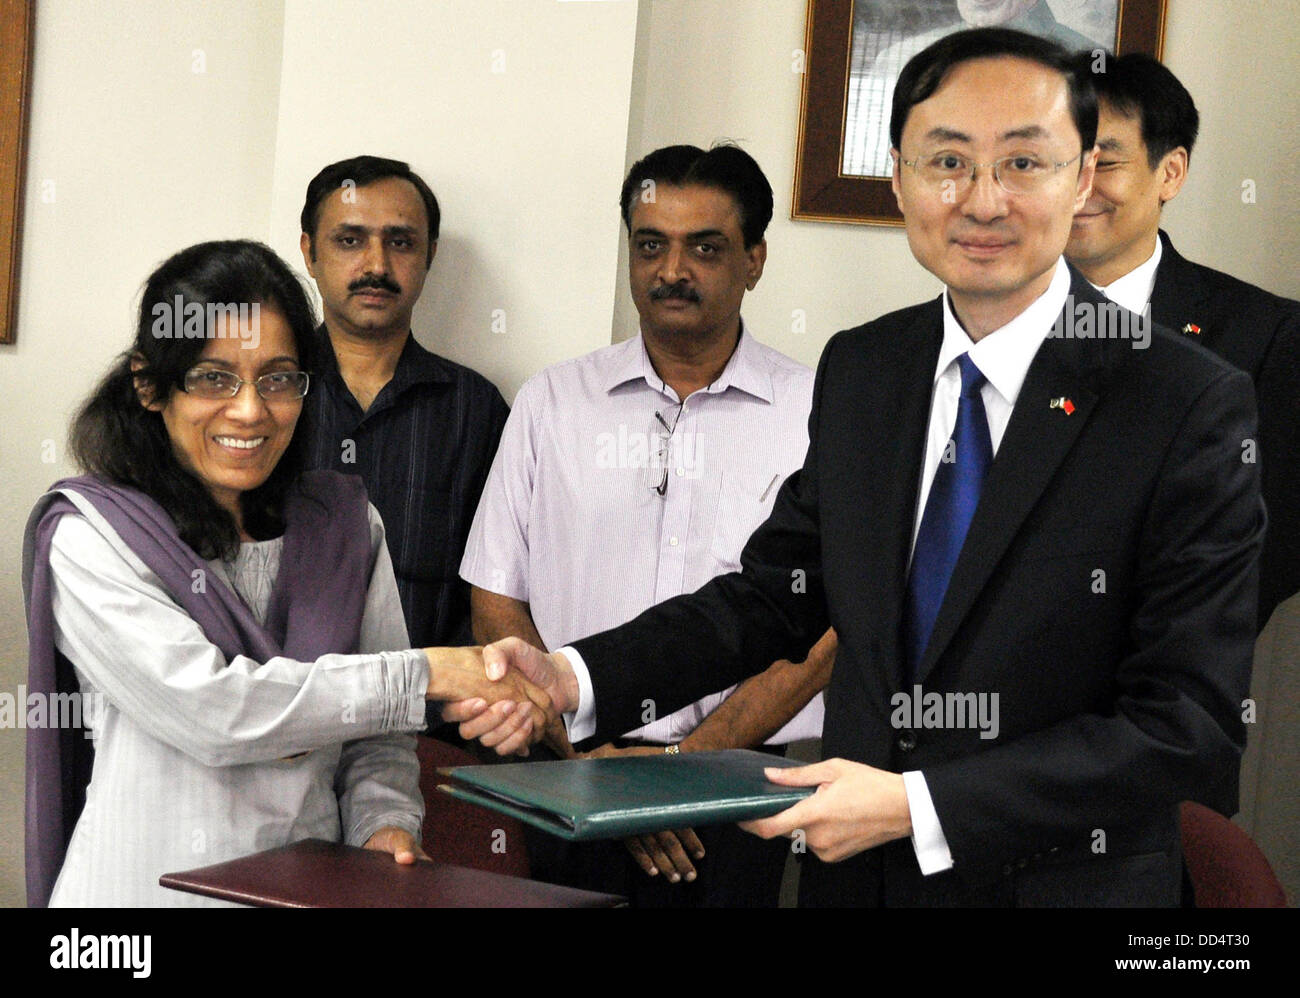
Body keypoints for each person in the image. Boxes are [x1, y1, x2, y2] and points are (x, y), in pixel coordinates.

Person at [457, 29, 1264, 907]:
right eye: (946, 160)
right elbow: (777, 594)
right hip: (857, 890)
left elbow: (1190, 728)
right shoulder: (868, 369)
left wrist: (917, 806)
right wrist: (576, 676)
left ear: (1081, 180)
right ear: (901, 180)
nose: (981, 200)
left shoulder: (1184, 401)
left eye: (1024, 163)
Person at [22, 240, 553, 907]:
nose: (251, 410)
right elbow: (216, 712)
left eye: (278, 378)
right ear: (149, 384)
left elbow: (380, 739)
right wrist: (433, 672)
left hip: (308, 894)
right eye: (214, 377)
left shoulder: (347, 525)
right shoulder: (92, 535)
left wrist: (381, 825)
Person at [459, 143, 836, 906]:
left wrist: (677, 776)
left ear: (755, 259)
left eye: (705, 247)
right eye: (650, 245)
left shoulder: (819, 411)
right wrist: (585, 765)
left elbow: (827, 630)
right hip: (567, 779)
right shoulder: (553, 402)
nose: (672, 270)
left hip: (741, 788)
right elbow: (497, 599)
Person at [1065, 52, 1300, 629]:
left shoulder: (1264, 335)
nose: (1077, 189)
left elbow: (1275, 543)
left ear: (1170, 172)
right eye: (1054, 163)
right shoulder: (981, 316)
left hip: (1161, 688)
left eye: (1104, 163)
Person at [298, 156, 509, 661]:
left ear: (429, 255)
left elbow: (499, 592)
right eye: (350, 240)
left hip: (428, 721)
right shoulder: (262, 397)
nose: (376, 265)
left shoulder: (475, 411)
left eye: (400, 242)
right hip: (280, 716)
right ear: (310, 253)